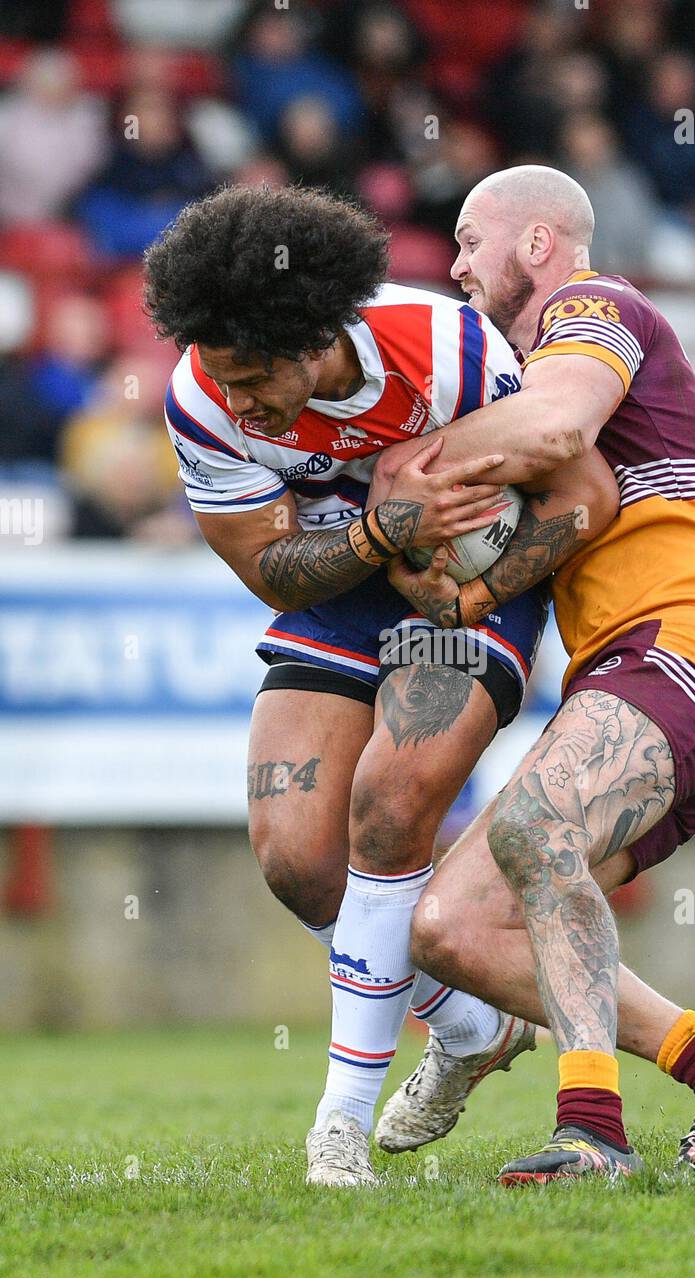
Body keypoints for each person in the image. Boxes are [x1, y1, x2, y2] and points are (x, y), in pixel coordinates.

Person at [143, 184, 618, 1186]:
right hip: (338, 581)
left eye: (255, 377)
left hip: (469, 589)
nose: (237, 399)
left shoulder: (452, 350)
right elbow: (268, 566)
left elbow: (582, 494)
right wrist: (373, 536)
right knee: (292, 857)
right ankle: (467, 1030)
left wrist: (474, 586)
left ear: (318, 338)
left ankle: (338, 1126)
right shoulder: (198, 397)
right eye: (220, 377)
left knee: (391, 801)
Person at [377, 165, 695, 1182]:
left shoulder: (591, 304)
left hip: (690, 638)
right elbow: (570, 502)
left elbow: (560, 430)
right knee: (451, 924)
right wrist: (457, 594)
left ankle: (591, 1133)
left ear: (536, 243)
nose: (455, 265)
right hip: (629, 664)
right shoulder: (524, 370)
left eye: (470, 239)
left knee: (532, 828)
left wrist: (411, 470)